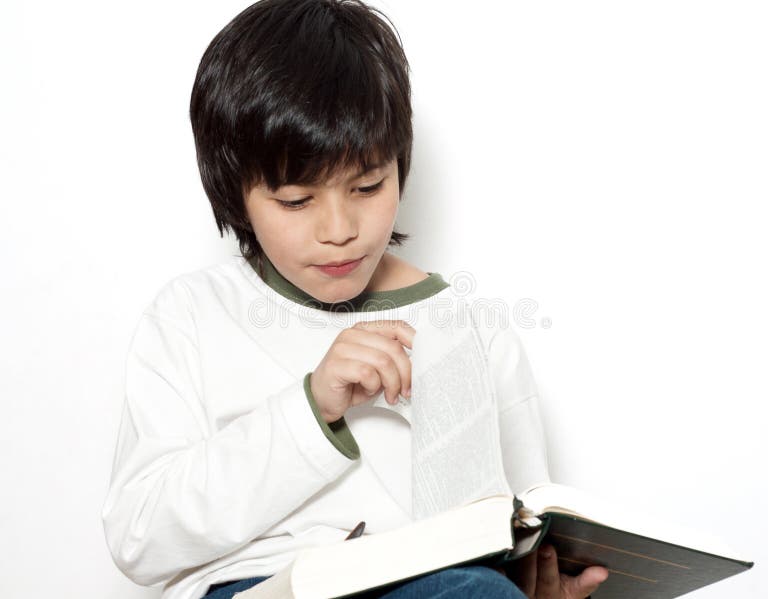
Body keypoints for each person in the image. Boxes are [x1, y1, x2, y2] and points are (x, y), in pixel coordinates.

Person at [101, 1, 608, 598]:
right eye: (295, 201)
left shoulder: (475, 331)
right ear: (233, 189)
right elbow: (139, 536)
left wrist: (533, 586)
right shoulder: (191, 315)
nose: (339, 228)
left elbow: (522, 524)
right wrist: (313, 407)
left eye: (367, 187)